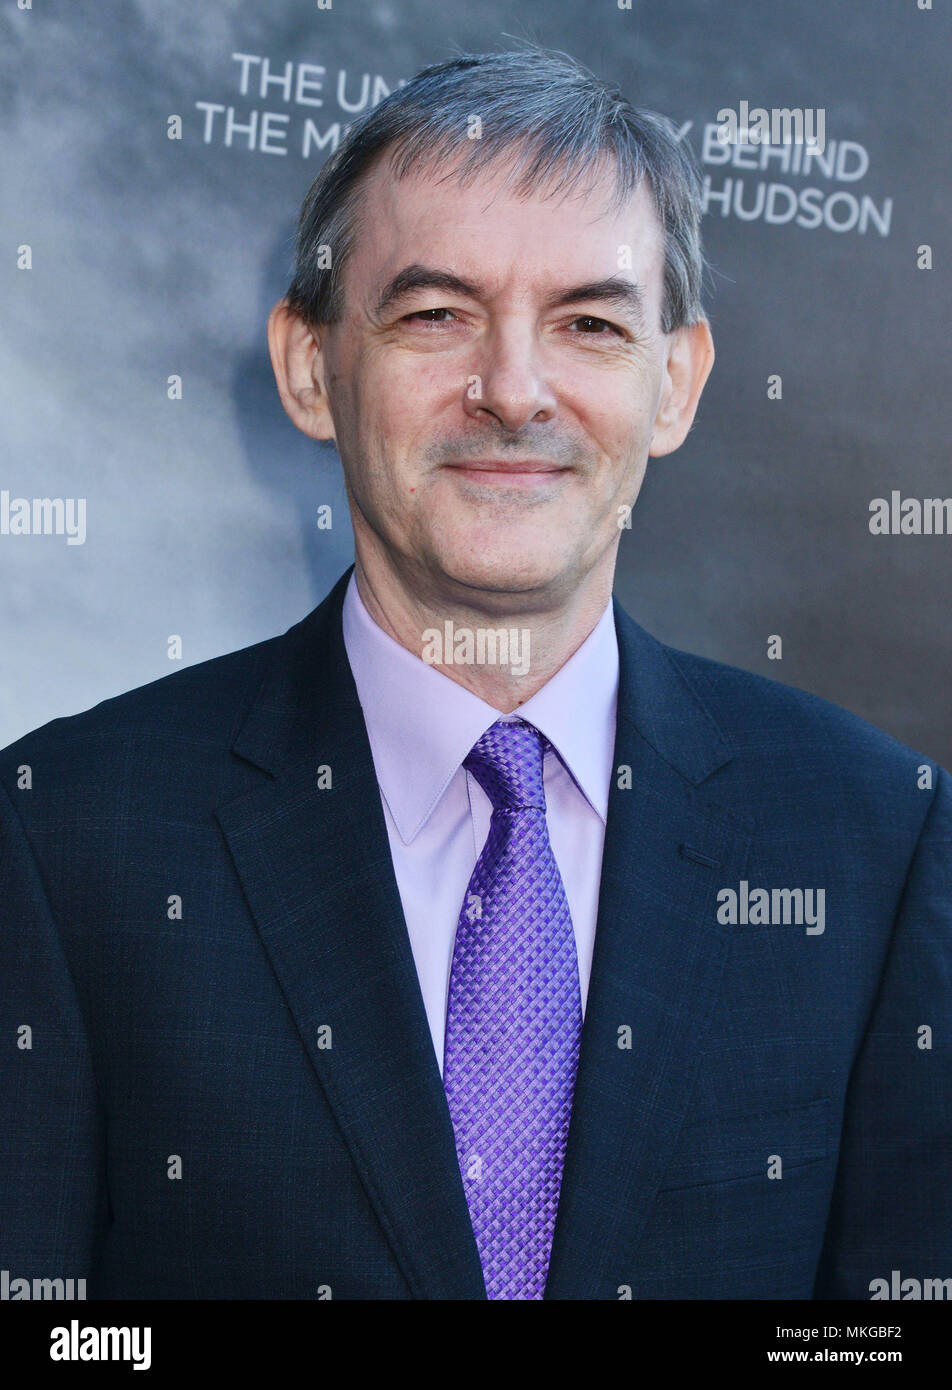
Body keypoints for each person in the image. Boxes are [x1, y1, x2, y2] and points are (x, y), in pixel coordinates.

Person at [1, 46, 949, 1302]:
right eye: (435, 314)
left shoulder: (869, 837)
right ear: (308, 367)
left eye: (590, 324)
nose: (511, 390)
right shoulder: (64, 832)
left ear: (674, 384)